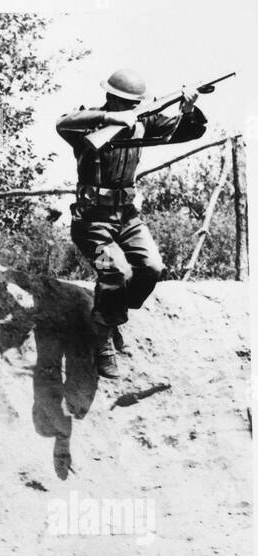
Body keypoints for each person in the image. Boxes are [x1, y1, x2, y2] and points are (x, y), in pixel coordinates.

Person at [57, 68, 208, 378]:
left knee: (151, 268)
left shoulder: (144, 123)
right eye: (122, 103)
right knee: (113, 271)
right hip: (91, 222)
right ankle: (103, 341)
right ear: (110, 98)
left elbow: (191, 131)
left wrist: (188, 109)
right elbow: (62, 123)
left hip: (127, 217)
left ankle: (111, 316)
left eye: (131, 105)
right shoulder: (91, 123)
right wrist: (113, 119)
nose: (127, 109)